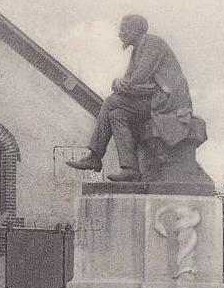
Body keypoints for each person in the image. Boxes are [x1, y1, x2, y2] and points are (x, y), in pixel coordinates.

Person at [66, 14, 193, 182]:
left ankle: (95, 157)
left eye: (123, 29)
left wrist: (120, 83)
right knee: (116, 114)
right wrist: (118, 82)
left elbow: (135, 80)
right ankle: (130, 168)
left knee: (111, 102)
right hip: (154, 99)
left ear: (136, 29)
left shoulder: (152, 43)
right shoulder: (138, 50)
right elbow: (127, 83)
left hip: (168, 103)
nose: (120, 34)